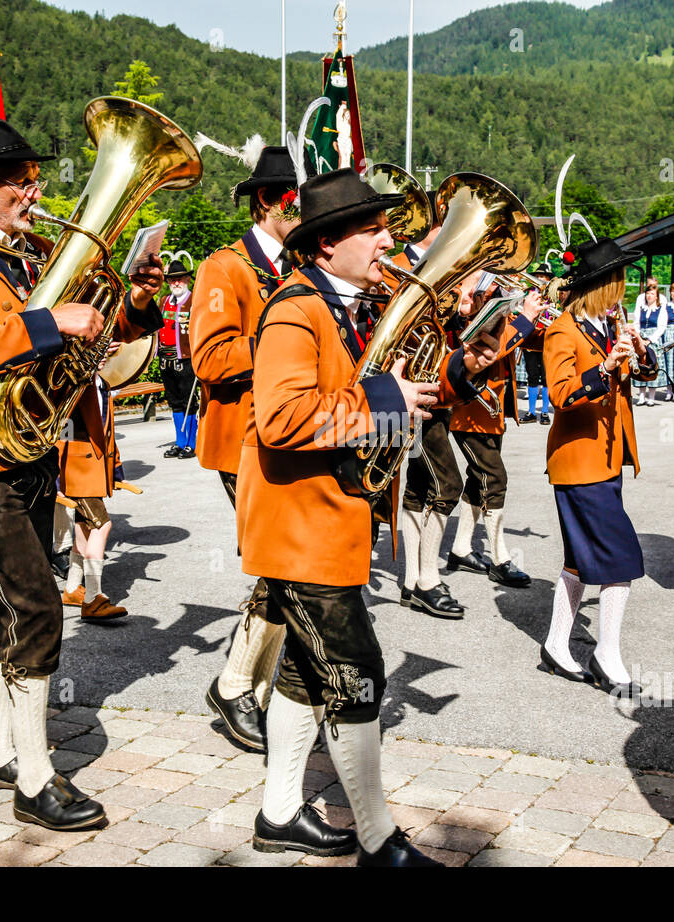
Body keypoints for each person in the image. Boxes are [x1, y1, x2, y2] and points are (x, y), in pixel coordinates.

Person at [237, 168, 501, 865]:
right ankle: (381, 840)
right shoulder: (297, 309)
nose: (393, 238)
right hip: (299, 528)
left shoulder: (353, 305)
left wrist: (455, 373)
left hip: (335, 519)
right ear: (326, 244)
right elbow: (283, 419)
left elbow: (384, 387)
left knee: (302, 668)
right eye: (375, 229)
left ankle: (279, 813)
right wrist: (380, 406)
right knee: (359, 672)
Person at [0, 118, 165, 831]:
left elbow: (106, 334)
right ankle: (34, 777)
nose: (36, 190)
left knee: (8, 606)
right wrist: (52, 322)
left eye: (33, 178)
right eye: (22, 181)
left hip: (29, 452)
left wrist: (136, 300)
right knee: (40, 608)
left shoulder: (30, 251)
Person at [189, 141, 300, 752]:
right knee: (280, 561)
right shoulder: (224, 268)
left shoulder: (298, 265)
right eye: (296, 201)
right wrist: (284, 341)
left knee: (286, 562)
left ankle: (250, 685)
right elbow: (209, 359)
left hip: (292, 432)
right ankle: (236, 685)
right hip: (244, 439)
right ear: (267, 202)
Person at [540, 237, 657, 693]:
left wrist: (638, 353)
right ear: (601, 285)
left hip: (607, 458)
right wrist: (604, 370)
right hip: (578, 461)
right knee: (618, 560)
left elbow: (643, 375)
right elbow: (560, 394)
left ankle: (554, 645)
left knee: (578, 559)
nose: (624, 292)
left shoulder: (605, 327)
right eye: (619, 282)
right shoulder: (562, 331)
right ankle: (607, 655)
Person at [396, 194, 467, 619]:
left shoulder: (440, 272)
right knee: (448, 485)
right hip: (410, 392)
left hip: (434, 390)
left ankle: (411, 580)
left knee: (421, 486)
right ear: (436, 230)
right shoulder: (403, 269)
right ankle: (427, 579)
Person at [446, 280, 543, 588]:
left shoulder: (499, 298)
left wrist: (541, 318)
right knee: (495, 479)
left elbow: (529, 339)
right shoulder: (473, 299)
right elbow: (490, 347)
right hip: (470, 412)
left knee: (479, 480)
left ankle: (461, 548)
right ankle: (500, 559)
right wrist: (525, 317)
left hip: (492, 413)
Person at [58, 373, 128, 622]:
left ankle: (72, 589)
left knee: (83, 531)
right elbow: (62, 431)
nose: (105, 351)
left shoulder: (102, 384)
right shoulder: (72, 383)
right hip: (76, 471)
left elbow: (107, 432)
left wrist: (115, 471)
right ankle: (94, 598)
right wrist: (58, 476)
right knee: (102, 524)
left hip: (93, 470)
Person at [158, 257, 198, 459]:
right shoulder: (163, 301)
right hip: (166, 359)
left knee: (189, 402)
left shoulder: (195, 301)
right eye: (172, 279)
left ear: (187, 280)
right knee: (174, 402)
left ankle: (192, 443)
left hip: (186, 359)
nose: (176, 283)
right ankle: (180, 442)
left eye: (180, 279)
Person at [519, 260, 554, 424]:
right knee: (532, 375)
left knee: (546, 377)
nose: (541, 279)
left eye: (544, 277)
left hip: (548, 339)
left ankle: (545, 411)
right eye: (538, 276)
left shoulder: (553, 295)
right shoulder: (528, 294)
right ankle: (532, 411)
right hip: (531, 338)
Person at [632, 277, 667, 406]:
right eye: (647, 293)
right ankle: (641, 396)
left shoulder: (661, 308)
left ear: (657, 296)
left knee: (652, 366)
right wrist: (639, 337)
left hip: (653, 339)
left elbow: (662, 327)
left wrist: (650, 340)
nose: (649, 296)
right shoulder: (641, 307)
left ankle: (651, 397)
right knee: (640, 365)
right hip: (641, 337)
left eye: (652, 294)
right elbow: (636, 322)